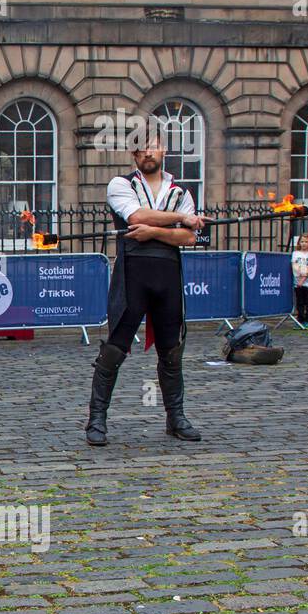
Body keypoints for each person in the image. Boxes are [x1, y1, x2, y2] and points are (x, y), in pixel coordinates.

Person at [86, 140, 208, 446]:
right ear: (134, 154)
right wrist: (179, 219)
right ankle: (97, 419)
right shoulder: (120, 184)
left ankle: (175, 418)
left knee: (171, 349)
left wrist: (155, 233)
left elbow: (189, 238)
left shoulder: (181, 191)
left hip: (167, 275)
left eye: (153, 147)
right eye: (141, 148)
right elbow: (136, 217)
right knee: (114, 348)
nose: (147, 153)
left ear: (165, 150)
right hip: (132, 275)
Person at [291, 233, 308, 329]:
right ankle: (300, 321)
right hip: (297, 281)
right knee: (300, 303)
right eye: (302, 241)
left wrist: (302, 279)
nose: (304, 243)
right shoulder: (295, 253)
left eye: (306, 242)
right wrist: (299, 274)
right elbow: (294, 265)